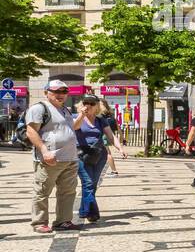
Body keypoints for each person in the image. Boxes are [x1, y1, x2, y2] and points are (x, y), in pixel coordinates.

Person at [26, 80, 82, 233]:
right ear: (46, 92)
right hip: (49, 159)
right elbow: (31, 131)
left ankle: (63, 221)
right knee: (42, 191)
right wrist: (44, 151)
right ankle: (39, 222)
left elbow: (72, 128)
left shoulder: (66, 109)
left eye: (64, 92)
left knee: (68, 191)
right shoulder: (39, 108)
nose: (60, 95)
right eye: (56, 91)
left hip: (70, 158)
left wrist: (82, 115)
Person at [72, 95, 124, 223]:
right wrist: (81, 115)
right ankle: (92, 213)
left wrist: (120, 148)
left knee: (93, 184)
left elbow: (111, 136)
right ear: (82, 104)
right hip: (81, 155)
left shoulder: (101, 120)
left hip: (99, 155)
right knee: (88, 183)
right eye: (86, 102)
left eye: (92, 103)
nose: (88, 105)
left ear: (97, 106)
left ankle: (84, 210)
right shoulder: (75, 117)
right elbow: (74, 127)